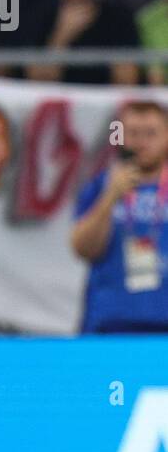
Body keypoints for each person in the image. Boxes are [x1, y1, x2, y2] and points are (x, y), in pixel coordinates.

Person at [71, 101, 168, 333]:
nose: (142, 142)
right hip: (110, 323)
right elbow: (82, 248)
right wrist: (110, 198)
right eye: (133, 133)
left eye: (151, 133)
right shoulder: (102, 185)